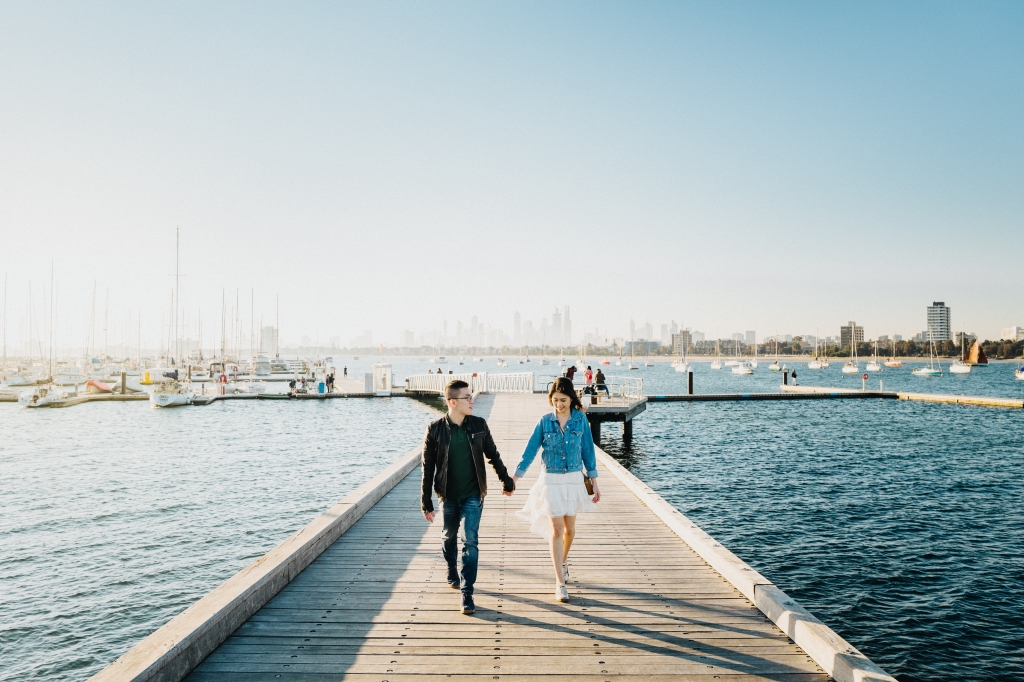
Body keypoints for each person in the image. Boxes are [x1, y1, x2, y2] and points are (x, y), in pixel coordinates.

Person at [422, 380, 516, 615]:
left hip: (474, 494)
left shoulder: (479, 425)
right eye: (467, 397)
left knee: (470, 540)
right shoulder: (435, 429)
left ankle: (467, 592)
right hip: (447, 495)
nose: (471, 401)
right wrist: (426, 501)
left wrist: (506, 481)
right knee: (448, 537)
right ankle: (451, 568)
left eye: (471, 396)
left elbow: (493, 455)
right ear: (453, 402)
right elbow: (428, 467)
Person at [512, 378, 600, 603]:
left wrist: (594, 481)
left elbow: (588, 451)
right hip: (551, 480)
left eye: (563, 400)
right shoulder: (544, 421)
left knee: (570, 529)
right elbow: (530, 451)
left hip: (574, 479)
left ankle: (562, 561)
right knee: (557, 530)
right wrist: (515, 477)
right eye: (555, 400)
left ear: (571, 399)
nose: (559, 404)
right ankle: (560, 583)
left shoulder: (580, 420)